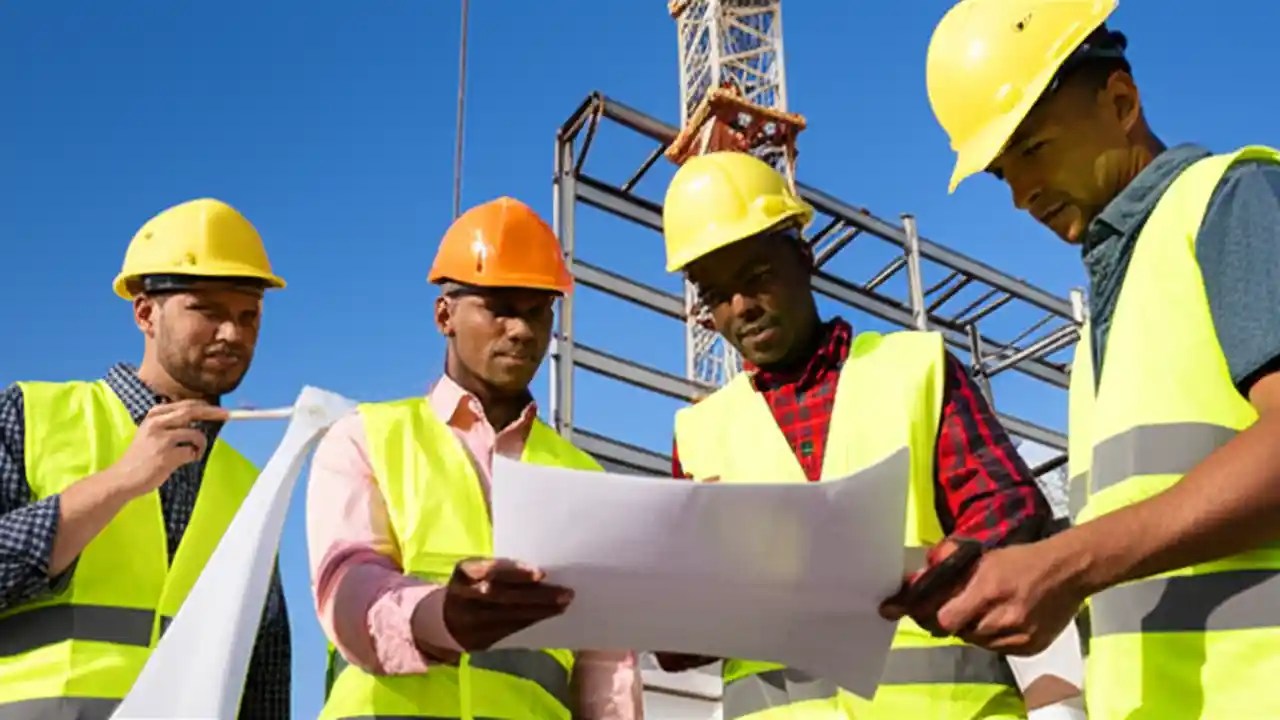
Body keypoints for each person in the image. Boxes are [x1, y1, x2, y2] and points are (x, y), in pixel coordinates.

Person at [908, 0, 1280, 717]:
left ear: (1120, 101)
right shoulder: (1104, 326)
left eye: (1034, 149)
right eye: (1000, 174)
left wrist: (1066, 563)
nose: (1020, 195)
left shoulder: (1231, 203)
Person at [651, 150, 1060, 719]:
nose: (740, 307)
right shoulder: (697, 434)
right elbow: (675, 637)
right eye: (716, 295)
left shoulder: (915, 370)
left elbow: (1010, 505)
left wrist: (950, 562)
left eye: (756, 276)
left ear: (804, 256)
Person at [309, 196, 643, 720]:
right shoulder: (365, 438)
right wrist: (439, 618)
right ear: (445, 313)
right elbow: (347, 589)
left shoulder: (584, 478)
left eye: (539, 311)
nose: (523, 330)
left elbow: (608, 669)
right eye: (501, 307)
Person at [0, 198, 291, 718]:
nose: (233, 334)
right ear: (144, 312)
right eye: (208, 311)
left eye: (249, 316)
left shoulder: (249, 485)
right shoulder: (31, 415)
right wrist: (120, 482)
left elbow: (262, 667)